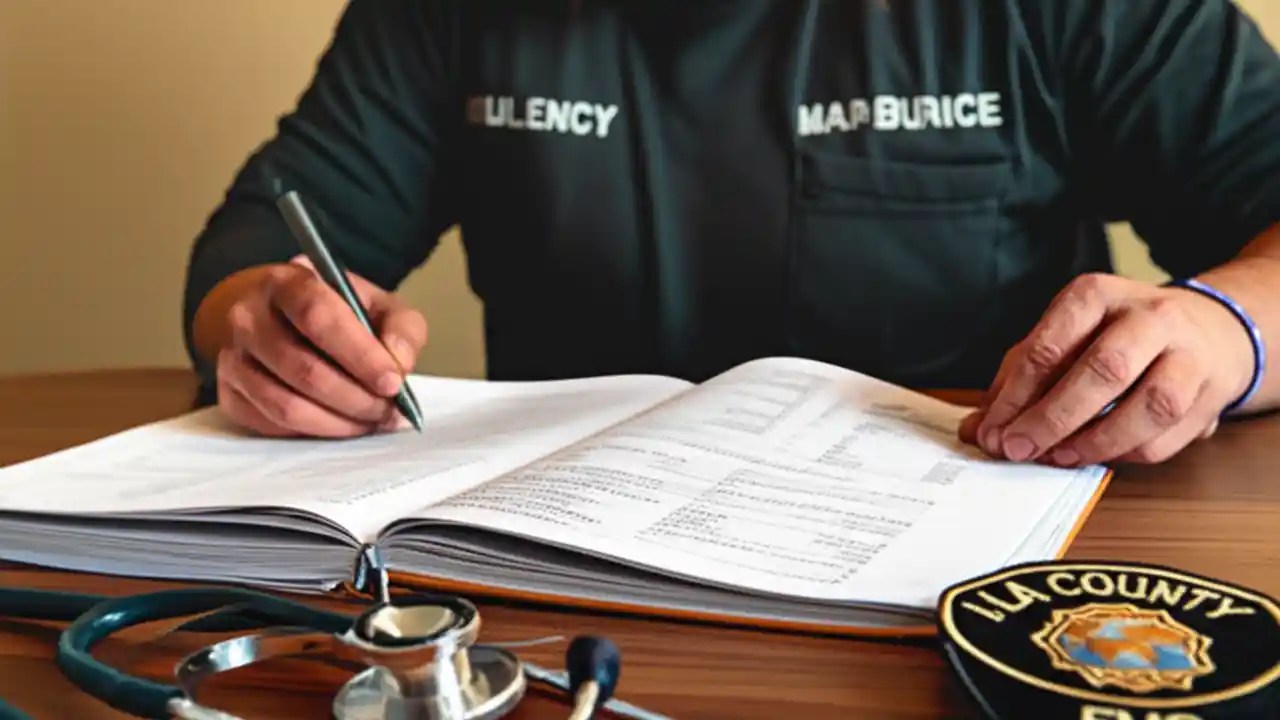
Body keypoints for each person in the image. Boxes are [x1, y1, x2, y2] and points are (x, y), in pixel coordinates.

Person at [184, 0, 1280, 469]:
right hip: (568, 576)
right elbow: (257, 246)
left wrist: (1223, 331)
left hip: (969, 564)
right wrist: (264, 329)